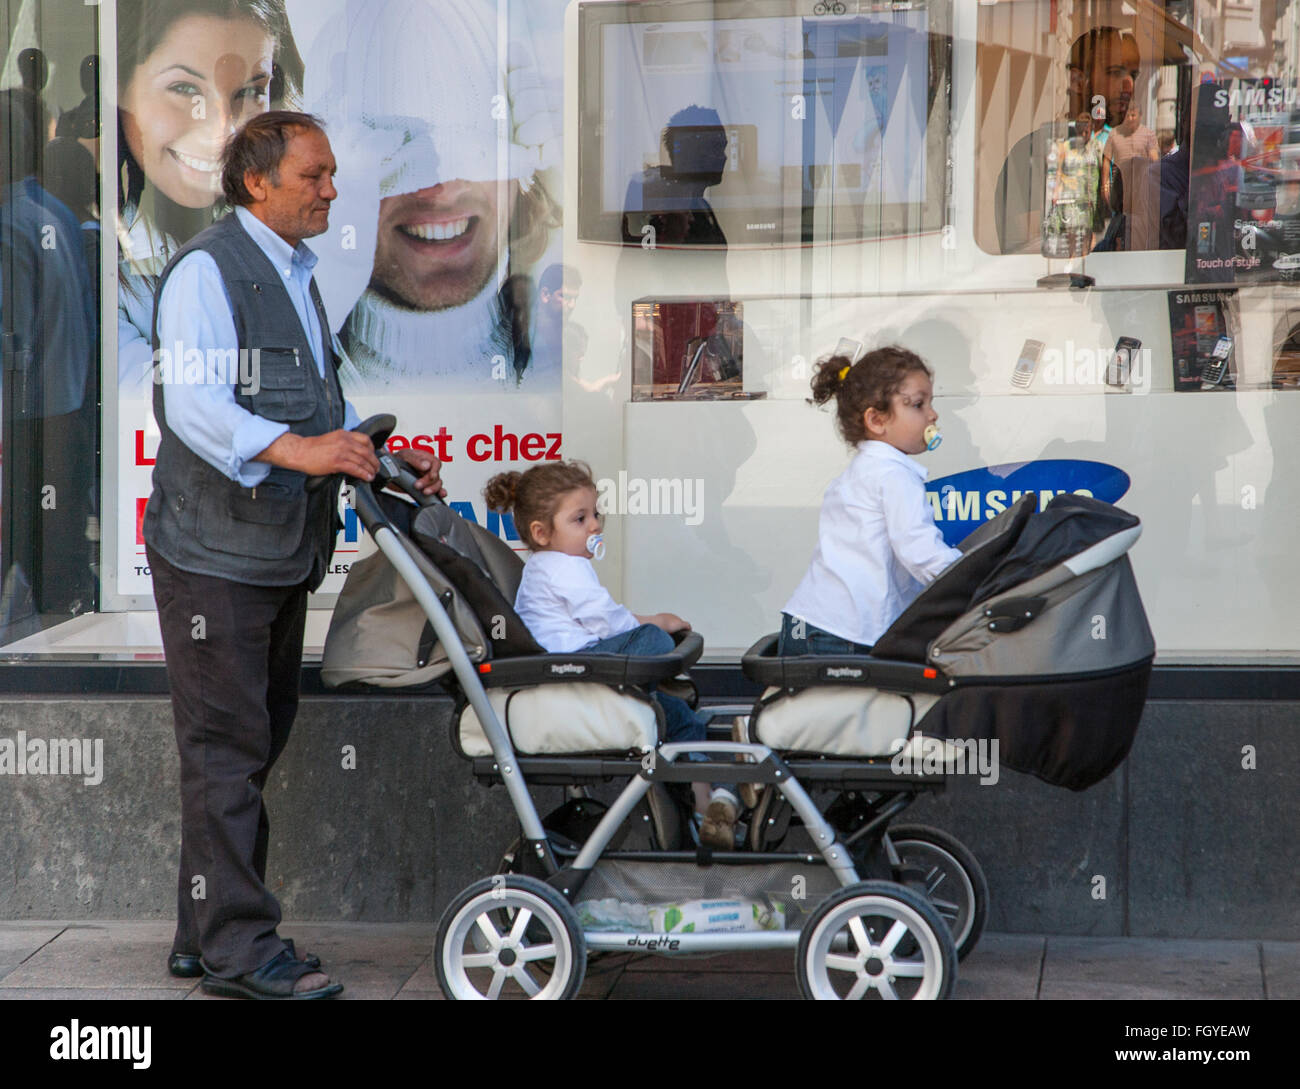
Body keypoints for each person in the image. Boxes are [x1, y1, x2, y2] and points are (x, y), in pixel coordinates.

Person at [144, 110, 443, 1000]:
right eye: (314, 175)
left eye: (332, 173)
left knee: (249, 740)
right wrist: (303, 451)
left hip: (276, 552)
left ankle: (203, 928)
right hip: (212, 557)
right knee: (228, 745)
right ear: (256, 183)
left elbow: (310, 413)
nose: (331, 189)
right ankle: (242, 951)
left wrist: (370, 453)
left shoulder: (299, 275)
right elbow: (194, 405)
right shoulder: (208, 270)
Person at [303, 0, 561, 391]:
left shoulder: (572, 362)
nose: (438, 191)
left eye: (476, 156)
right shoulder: (273, 382)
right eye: (392, 160)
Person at [483, 462, 740, 849]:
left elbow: (603, 620)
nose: (595, 526)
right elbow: (608, 623)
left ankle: (708, 809)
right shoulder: (563, 566)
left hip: (584, 667)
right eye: (580, 519)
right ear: (542, 533)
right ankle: (711, 799)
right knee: (653, 642)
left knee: (678, 715)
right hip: (575, 674)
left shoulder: (553, 565)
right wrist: (656, 623)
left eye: (595, 514)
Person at [116, 0, 304, 393]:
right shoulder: (95, 254)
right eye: (184, 88)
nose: (223, 132)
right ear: (121, 92)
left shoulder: (297, 243)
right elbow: (158, 403)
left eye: (251, 92)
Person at [779, 346, 961, 657]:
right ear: (876, 420)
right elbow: (920, 554)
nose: (932, 414)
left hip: (810, 621)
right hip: (844, 633)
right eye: (918, 404)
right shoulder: (894, 476)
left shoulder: (863, 471)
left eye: (931, 403)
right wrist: (972, 575)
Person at [992, 26, 1140, 255]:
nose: (1128, 84)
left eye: (1133, 74)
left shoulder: (1124, 156)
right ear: (1078, 80)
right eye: (1114, 72)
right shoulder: (1033, 155)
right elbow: (1024, 257)